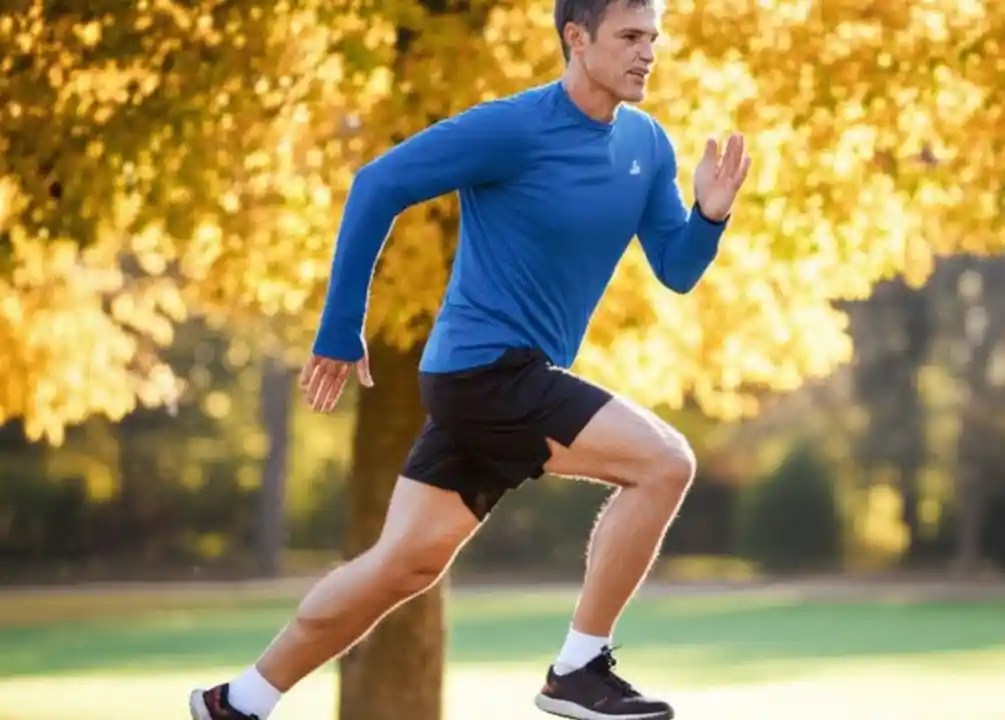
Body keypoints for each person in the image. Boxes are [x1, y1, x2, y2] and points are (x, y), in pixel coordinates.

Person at [189, 0, 749, 718]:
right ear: (576, 38)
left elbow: (677, 267)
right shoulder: (514, 128)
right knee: (664, 462)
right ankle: (579, 669)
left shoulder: (647, 144)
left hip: (500, 380)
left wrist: (709, 215)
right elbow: (376, 185)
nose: (648, 53)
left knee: (404, 565)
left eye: (654, 38)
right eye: (631, 36)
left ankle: (238, 701)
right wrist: (339, 328)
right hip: (485, 371)